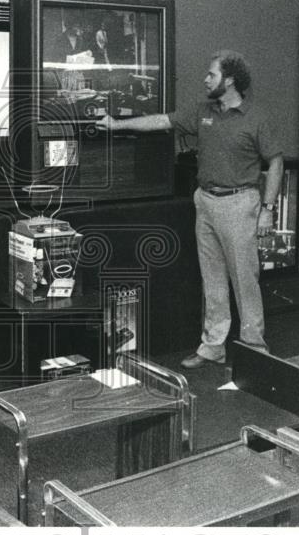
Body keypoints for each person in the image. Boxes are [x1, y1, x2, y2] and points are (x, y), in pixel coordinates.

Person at [97, 49, 283, 368]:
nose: (205, 79)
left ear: (230, 80)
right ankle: (213, 345)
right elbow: (162, 120)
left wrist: (267, 208)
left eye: (212, 74)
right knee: (211, 278)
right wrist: (117, 125)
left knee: (244, 278)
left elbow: (276, 161)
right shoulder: (203, 111)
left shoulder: (256, 117)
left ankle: (254, 348)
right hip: (206, 200)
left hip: (240, 203)